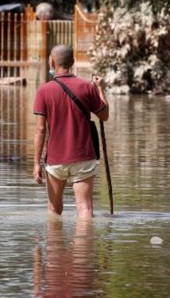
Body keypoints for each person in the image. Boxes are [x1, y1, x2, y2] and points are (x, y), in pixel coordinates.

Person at [33, 44, 108, 219]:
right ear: (73, 62)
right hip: (83, 157)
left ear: (52, 62)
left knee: (53, 209)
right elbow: (104, 115)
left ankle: (55, 245)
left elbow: (40, 129)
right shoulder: (86, 87)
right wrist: (100, 89)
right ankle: (84, 246)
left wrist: (36, 163)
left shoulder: (44, 91)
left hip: (56, 159)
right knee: (85, 208)